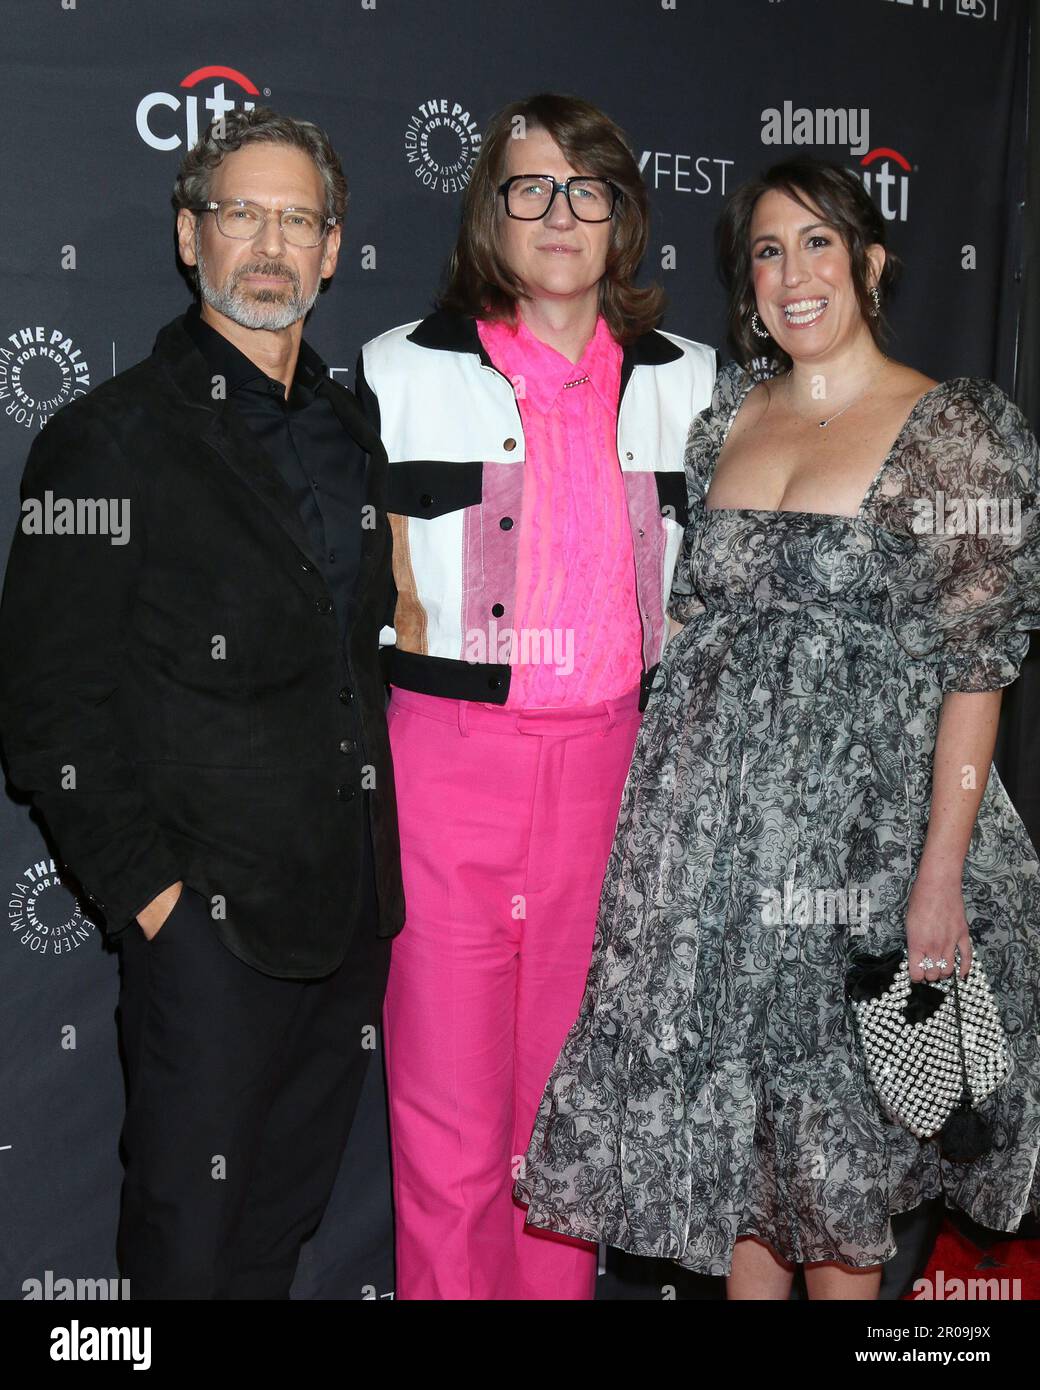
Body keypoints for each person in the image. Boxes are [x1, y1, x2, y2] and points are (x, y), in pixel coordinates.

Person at [514, 156, 1040, 1300]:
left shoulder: (952, 429)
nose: (790, 273)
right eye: (764, 249)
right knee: (744, 1169)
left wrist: (936, 876)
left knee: (835, 1176)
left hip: (859, 864)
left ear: (869, 260)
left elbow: (977, 666)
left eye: (814, 243)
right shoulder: (725, 421)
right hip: (712, 867)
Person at [0, 107, 404, 1299]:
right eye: (241, 213)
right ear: (191, 235)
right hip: (208, 934)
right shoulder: (105, 440)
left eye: (297, 219)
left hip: (345, 919)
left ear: (332, 250)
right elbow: (45, 706)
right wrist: (155, 901)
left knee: (275, 1236)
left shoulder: (349, 427)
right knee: (185, 1252)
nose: (269, 244)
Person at [355, 92, 715, 1299]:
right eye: (529, 187)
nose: (558, 213)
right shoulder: (391, 374)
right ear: (487, 214)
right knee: (447, 1128)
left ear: (622, 216)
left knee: (563, 1129)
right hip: (444, 764)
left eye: (588, 188)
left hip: (615, 777)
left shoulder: (697, 387)